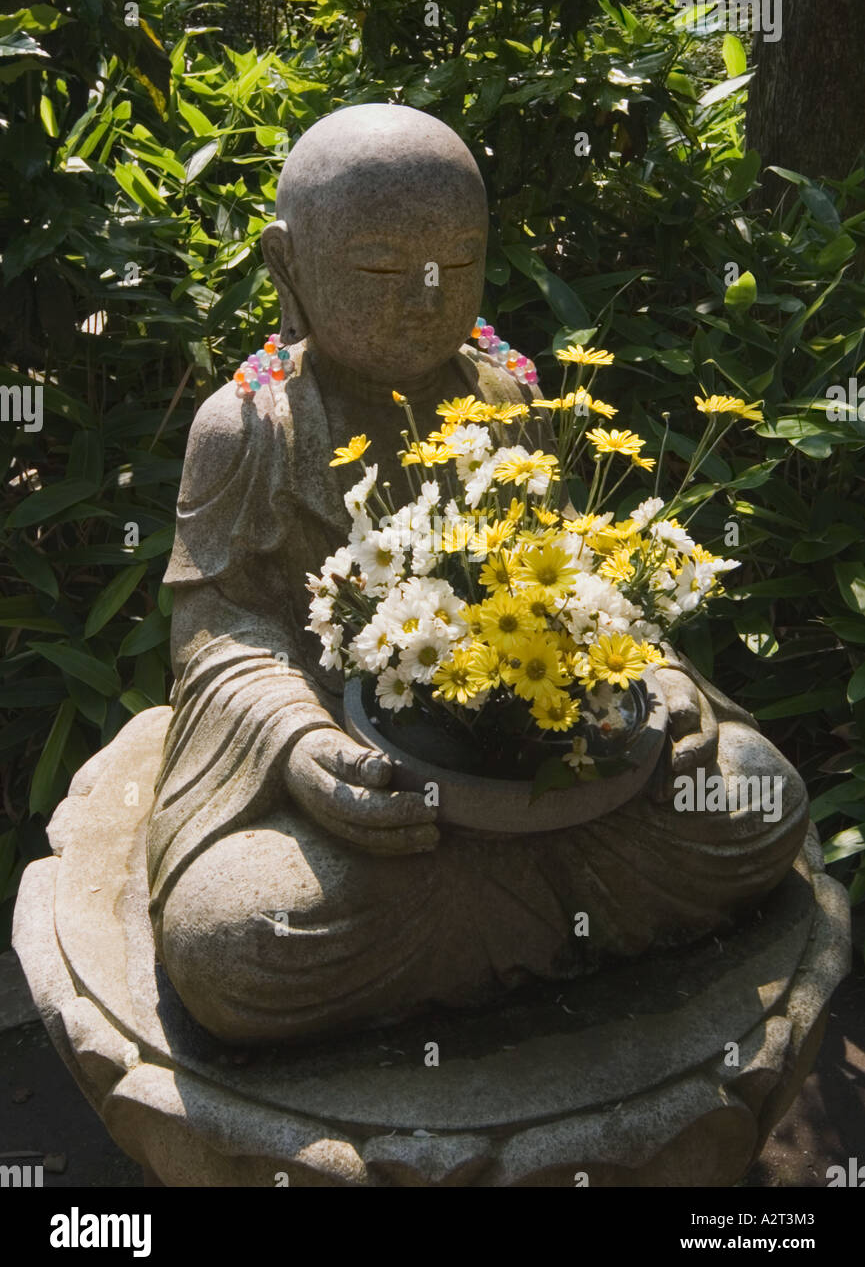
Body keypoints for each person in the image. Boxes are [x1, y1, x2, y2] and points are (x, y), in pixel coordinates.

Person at [146, 105, 809, 1042]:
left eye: (457, 264)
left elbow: (569, 575)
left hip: (535, 750)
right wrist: (298, 746)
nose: (424, 294)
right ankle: (542, 922)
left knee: (757, 798)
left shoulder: (505, 392)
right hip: (368, 802)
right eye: (379, 268)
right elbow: (218, 631)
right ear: (287, 264)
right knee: (237, 940)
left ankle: (491, 924)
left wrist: (651, 673)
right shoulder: (250, 426)